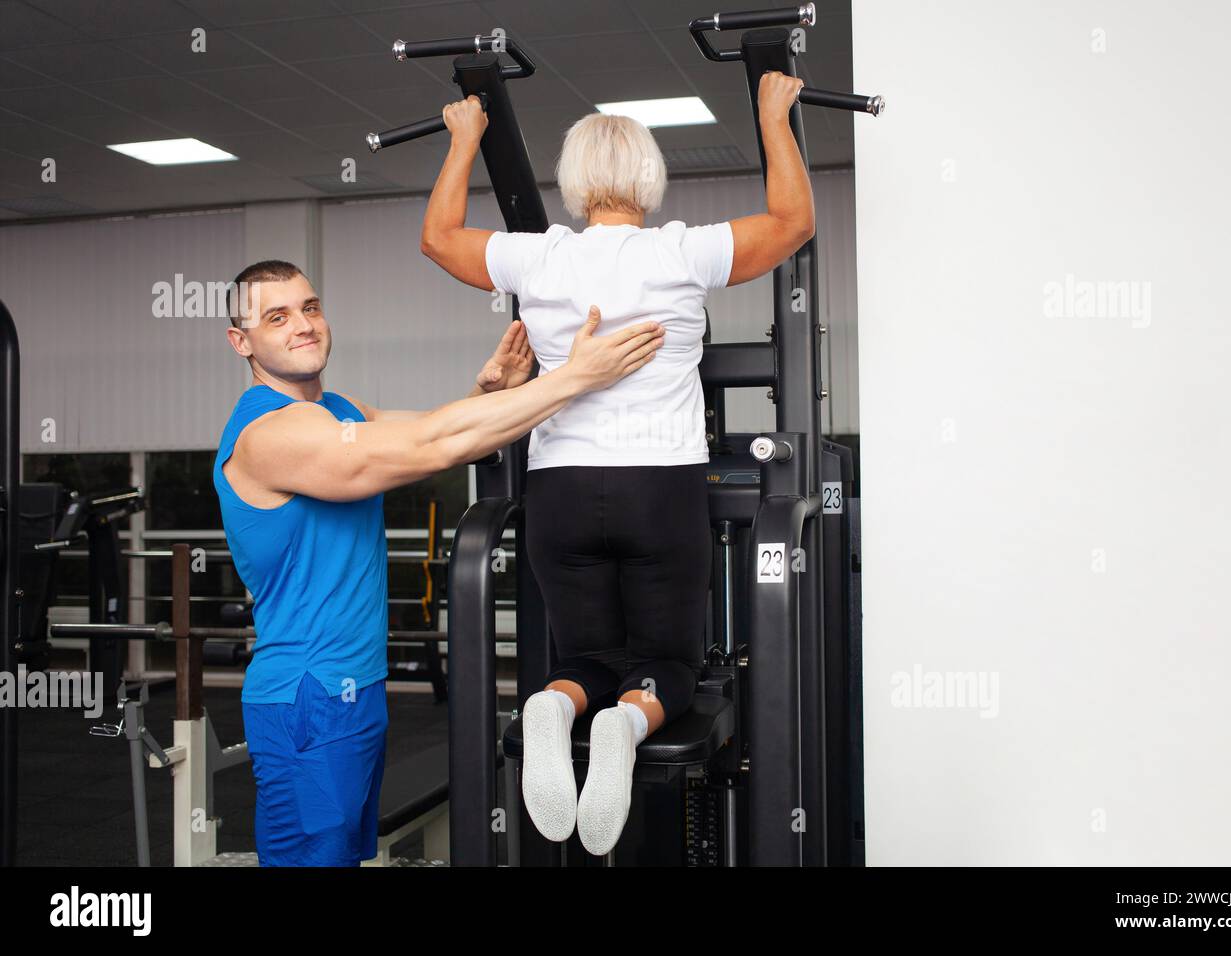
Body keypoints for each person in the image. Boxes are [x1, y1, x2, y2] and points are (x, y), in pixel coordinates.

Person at [419, 71, 815, 854]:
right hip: (658, 488)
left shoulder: (538, 260)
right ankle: (626, 728)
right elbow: (793, 221)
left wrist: (463, 140)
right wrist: (774, 116)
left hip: (559, 489)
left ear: (572, 186)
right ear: (649, 180)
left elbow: (438, 239)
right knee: (666, 660)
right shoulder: (682, 253)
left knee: (589, 657)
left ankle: (553, 707)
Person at [213, 259, 664, 865]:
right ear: (242, 342)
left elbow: (430, 430)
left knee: (346, 856)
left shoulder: (340, 411)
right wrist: (576, 378)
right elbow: (433, 445)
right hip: (305, 698)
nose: (304, 325)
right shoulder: (267, 434)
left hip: (356, 688)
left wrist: (488, 396)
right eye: (277, 316)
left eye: (310, 307)